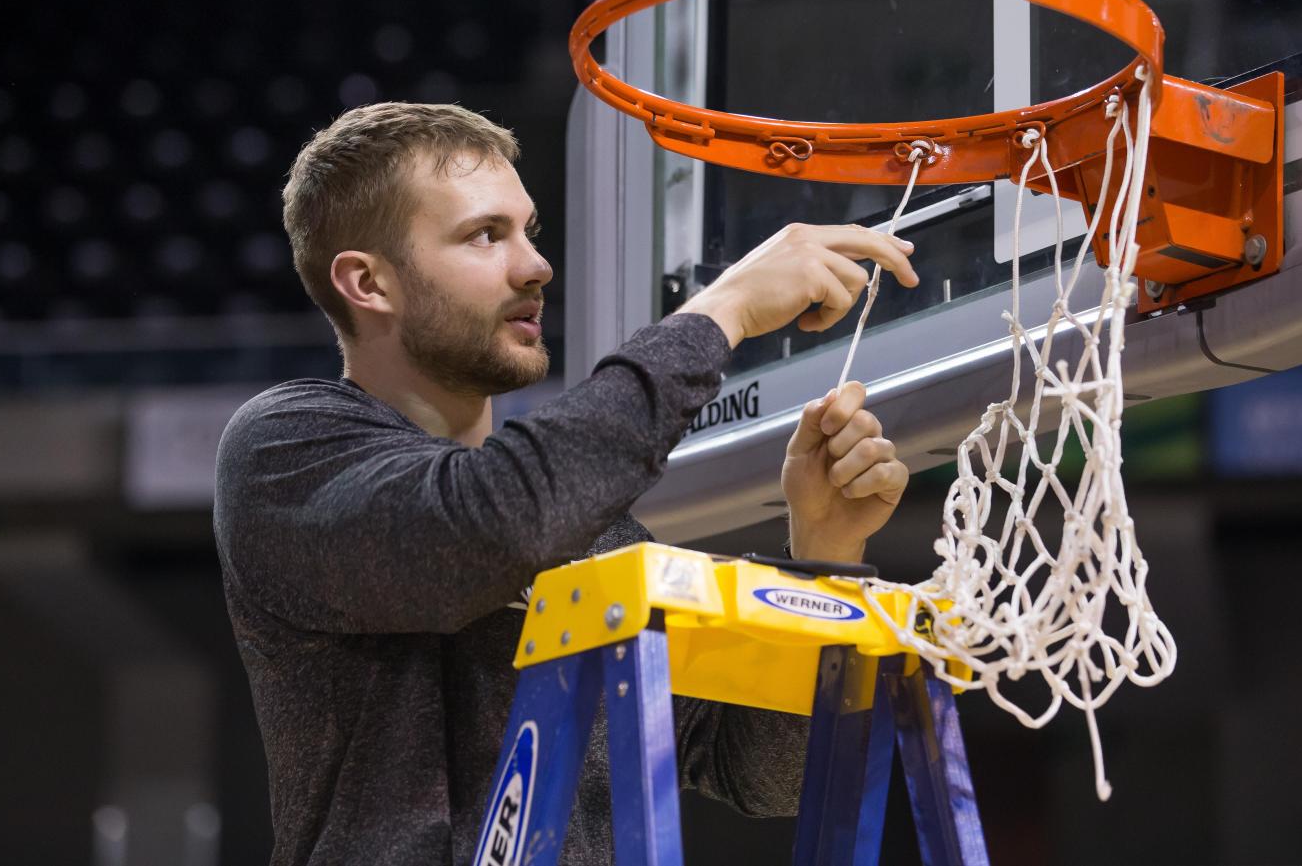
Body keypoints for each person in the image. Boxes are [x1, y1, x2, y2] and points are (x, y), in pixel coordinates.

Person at [214, 102, 918, 865]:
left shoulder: (592, 536)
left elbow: (759, 771)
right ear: (368, 282)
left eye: (529, 231)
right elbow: (494, 524)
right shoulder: (285, 446)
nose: (535, 265)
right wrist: (723, 309)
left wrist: (823, 552)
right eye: (485, 235)